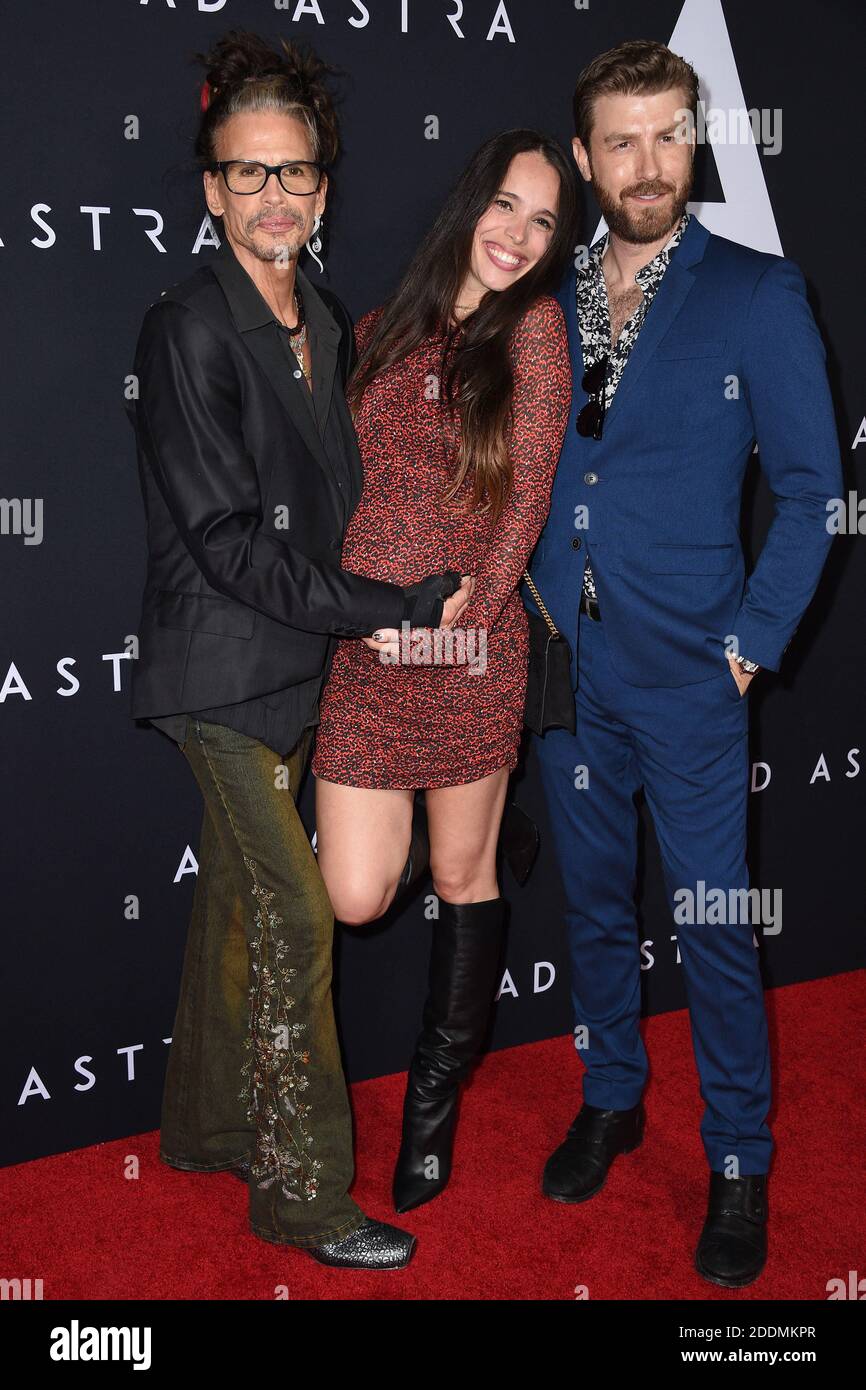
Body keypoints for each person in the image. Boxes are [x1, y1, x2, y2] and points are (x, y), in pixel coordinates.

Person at [127, 30, 472, 1270]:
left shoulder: (318, 313)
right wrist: (378, 600)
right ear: (211, 188)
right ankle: (302, 1193)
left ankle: (205, 1124)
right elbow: (227, 543)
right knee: (294, 914)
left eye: (296, 174)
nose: (274, 195)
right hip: (220, 669)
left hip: (294, 665)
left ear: (322, 188)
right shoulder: (186, 330)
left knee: (231, 907)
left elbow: (348, 496)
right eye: (247, 173)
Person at [524, 40, 842, 1287]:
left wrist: (749, 651)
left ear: (693, 140)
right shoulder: (544, 301)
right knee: (594, 909)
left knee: (710, 924)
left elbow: (815, 494)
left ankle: (737, 1158)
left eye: (667, 133)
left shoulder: (756, 294)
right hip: (567, 674)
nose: (645, 162)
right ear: (583, 157)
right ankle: (610, 1094)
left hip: (691, 677)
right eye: (619, 139)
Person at [310, 129, 577, 1212]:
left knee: (461, 881)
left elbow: (527, 497)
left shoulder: (538, 332)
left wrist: (472, 599)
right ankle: (463, 817)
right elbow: (341, 484)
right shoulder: (378, 330)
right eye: (505, 205)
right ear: (470, 203)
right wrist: (352, 606)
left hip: (470, 653)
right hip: (368, 654)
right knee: (358, 890)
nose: (516, 235)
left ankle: (432, 1101)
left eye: (544, 221)